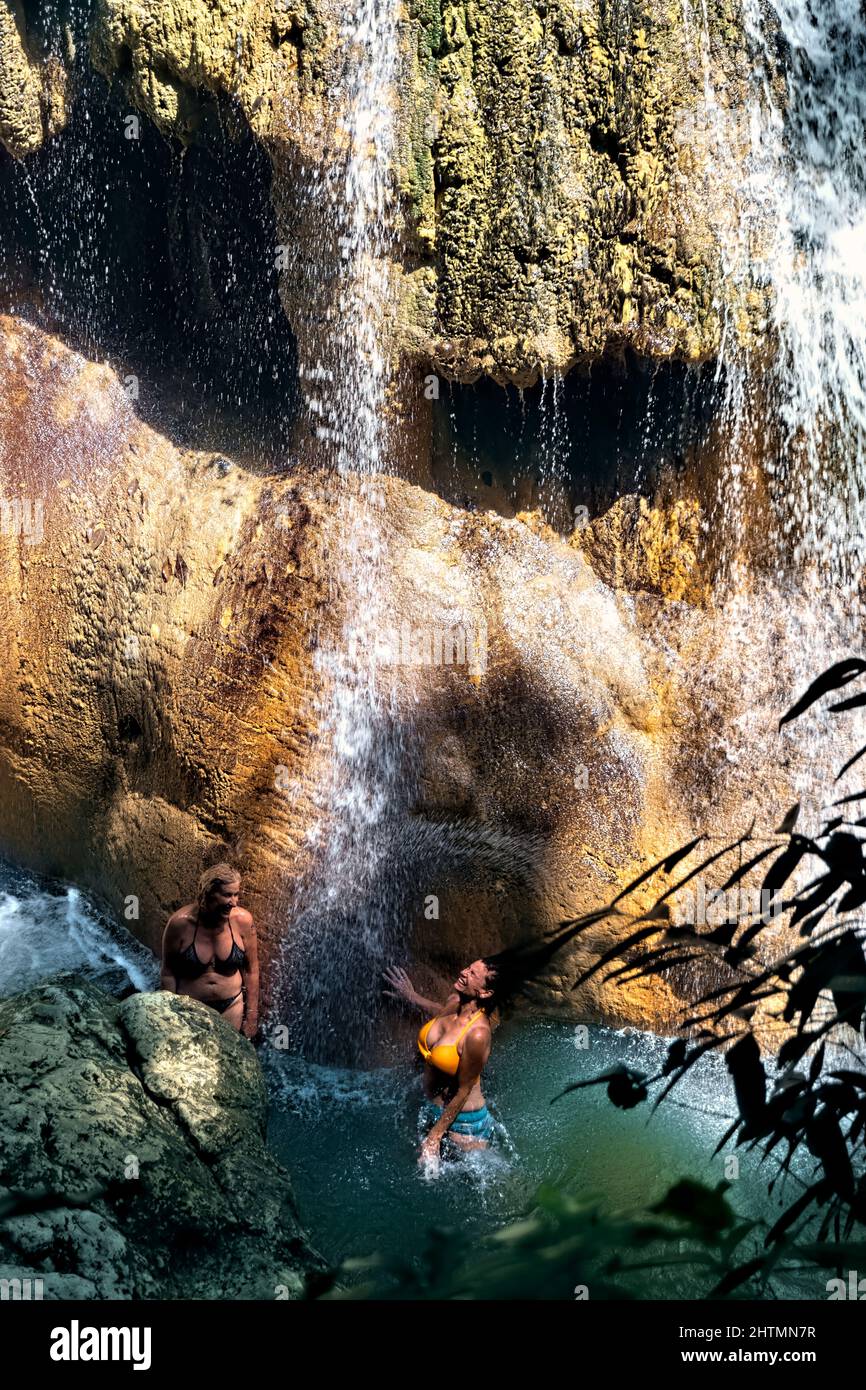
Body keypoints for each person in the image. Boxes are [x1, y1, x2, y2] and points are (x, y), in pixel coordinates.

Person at [383, 959, 498, 1172]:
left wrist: (433, 1139)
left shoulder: (478, 1033)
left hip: (464, 1126)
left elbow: (464, 1090)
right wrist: (412, 996)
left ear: (485, 993)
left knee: (472, 1190)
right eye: (467, 967)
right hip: (436, 1111)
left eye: (472, 974)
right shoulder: (454, 1002)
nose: (463, 972)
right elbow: (441, 1011)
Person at [160, 864, 259, 1039]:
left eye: (236, 894)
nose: (234, 902)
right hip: (191, 1007)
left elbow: (252, 970)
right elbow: (168, 973)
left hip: (231, 1006)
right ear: (208, 893)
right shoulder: (180, 924)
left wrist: (251, 1016)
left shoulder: (243, 921)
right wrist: (170, 1014)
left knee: (225, 1061)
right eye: (227, 895)